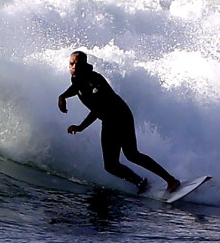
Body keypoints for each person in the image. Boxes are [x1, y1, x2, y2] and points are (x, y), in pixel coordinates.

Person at [58, 51, 180, 194]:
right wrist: (63, 96)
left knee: (132, 154)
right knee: (110, 165)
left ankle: (171, 180)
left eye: (77, 64)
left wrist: (80, 127)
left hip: (120, 116)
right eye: (71, 64)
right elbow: (76, 88)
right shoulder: (77, 78)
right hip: (108, 121)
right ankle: (141, 182)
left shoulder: (95, 81)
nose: (73, 67)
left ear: (84, 65)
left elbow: (97, 110)